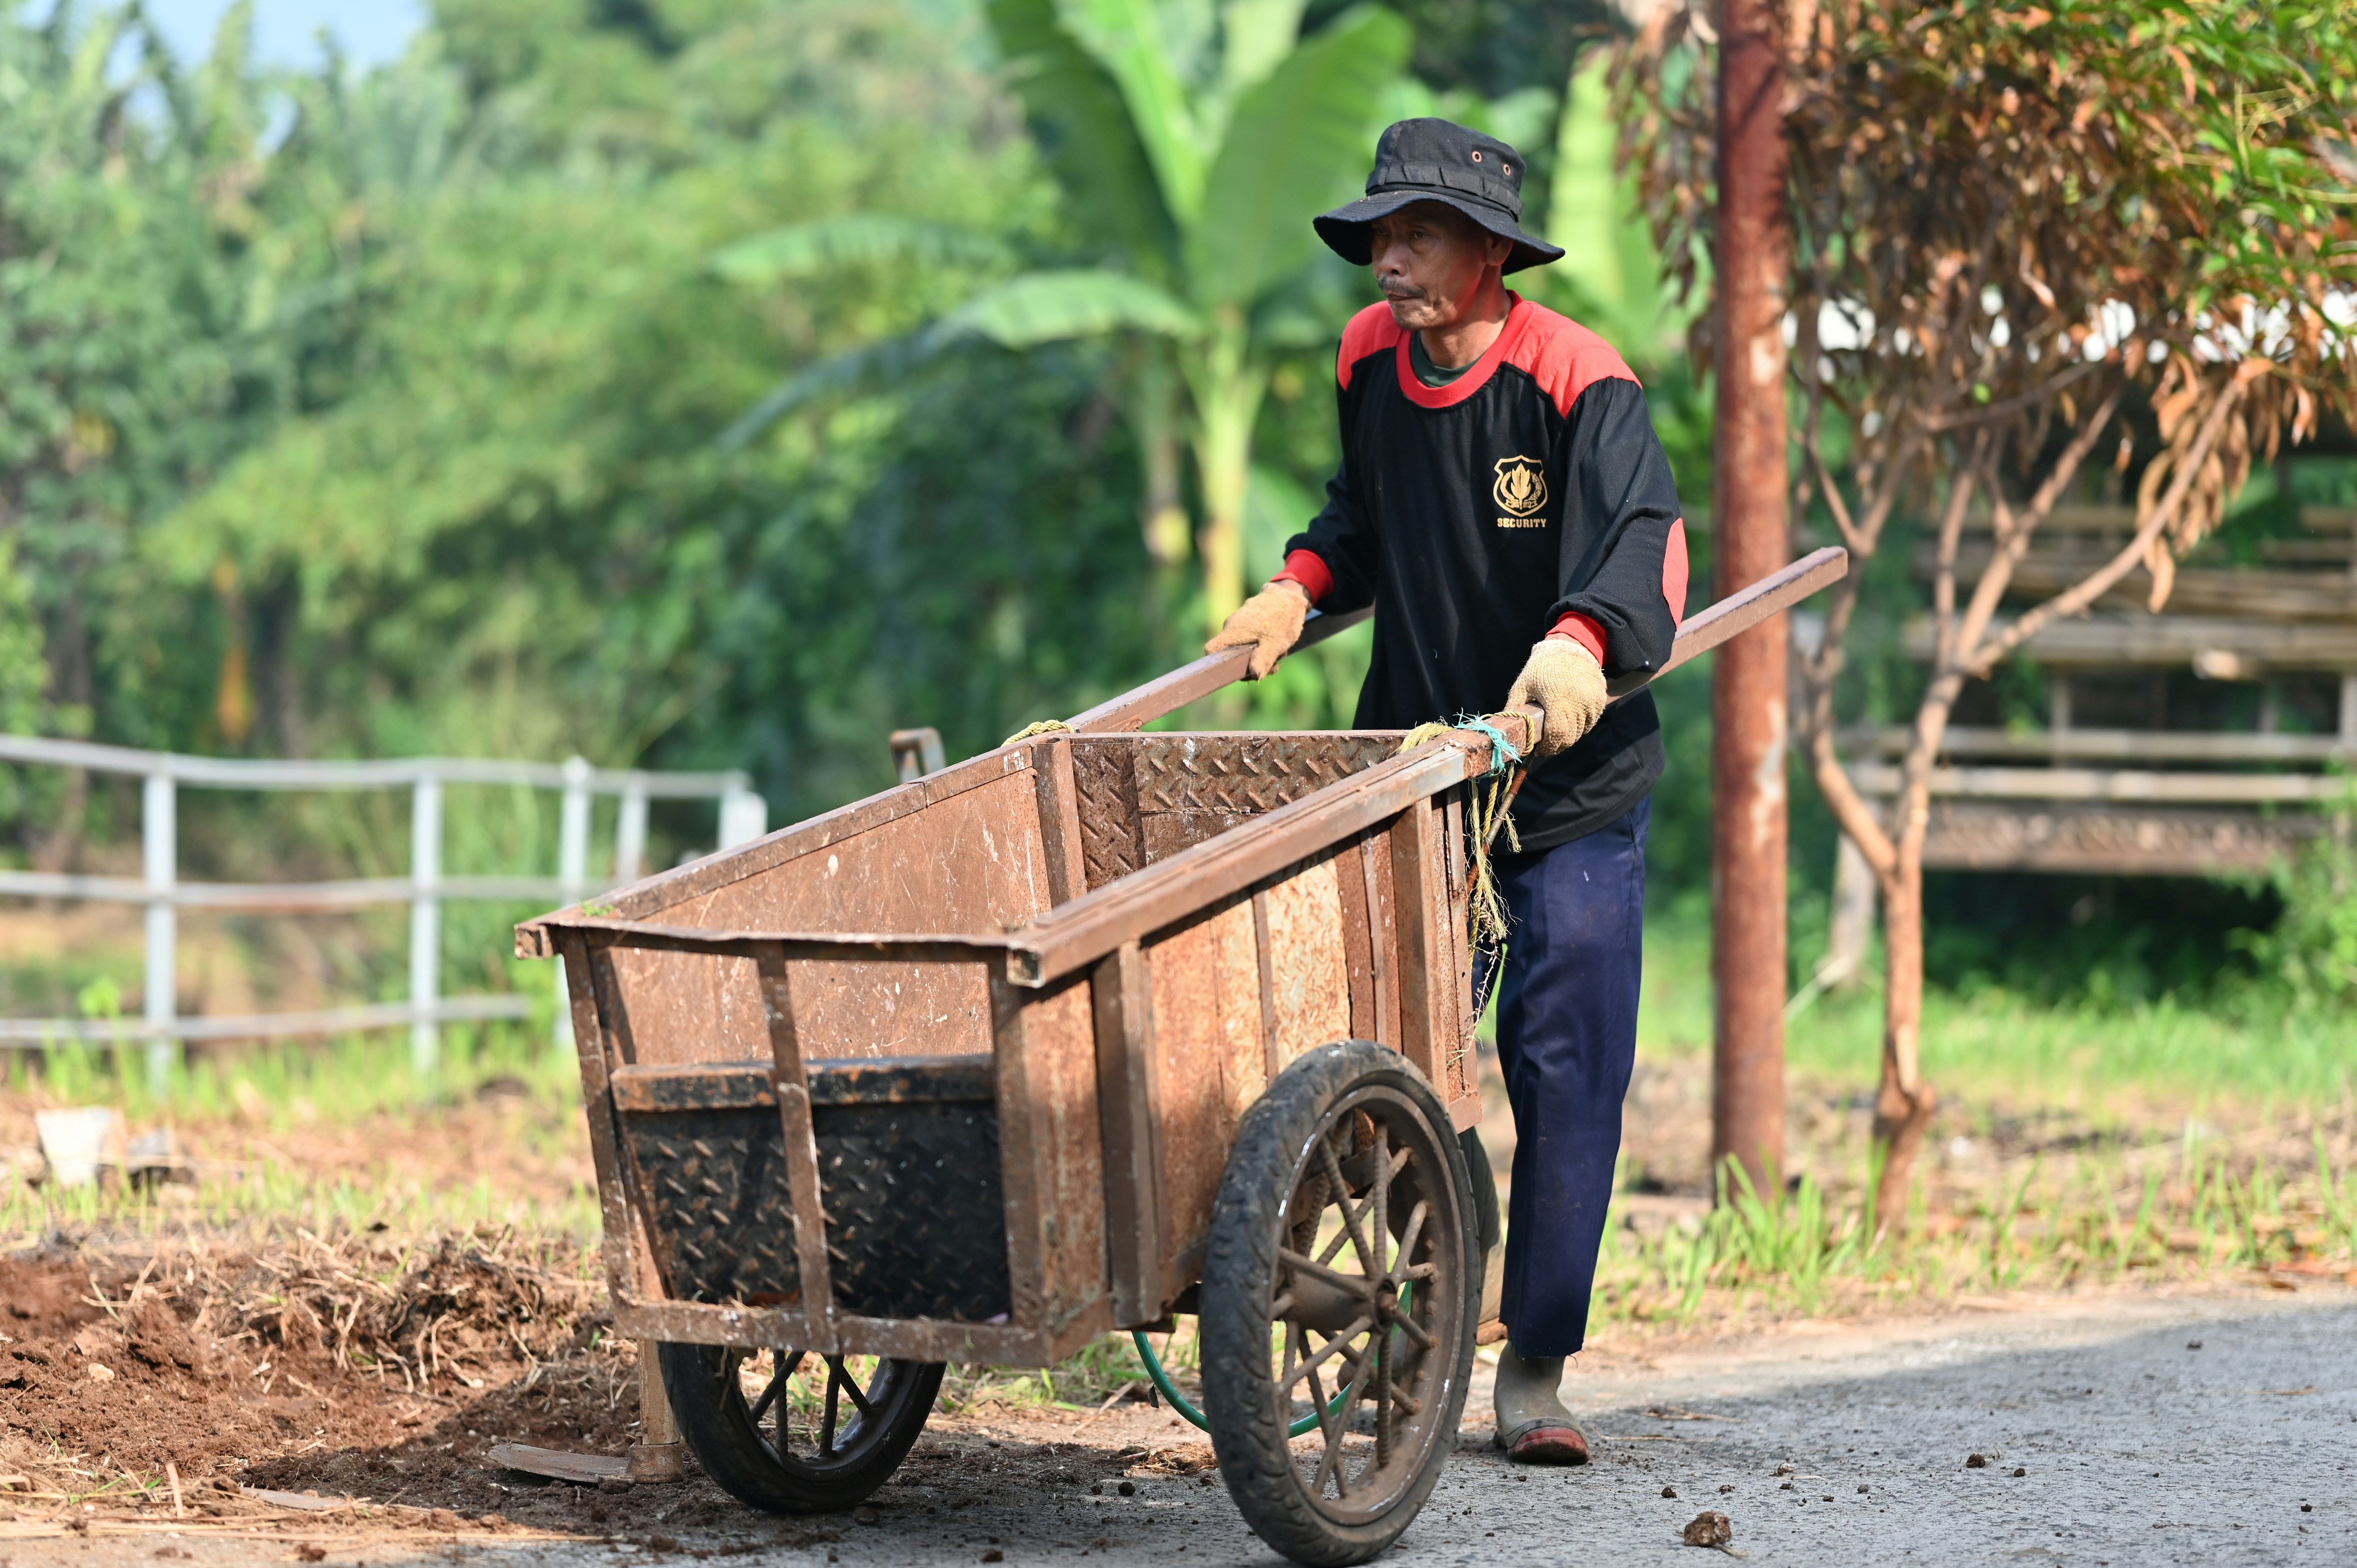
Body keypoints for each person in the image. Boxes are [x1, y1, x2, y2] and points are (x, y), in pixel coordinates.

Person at [1205, 118, 1687, 1466]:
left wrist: (1581, 643)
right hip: (1417, 772)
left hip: (1568, 782)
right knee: (1385, 1056)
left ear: (1488, 254)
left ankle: (1534, 1367)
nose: (1389, 260)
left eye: (1415, 236)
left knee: (1565, 1062)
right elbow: (1363, 519)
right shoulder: (1368, 358)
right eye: (1380, 236)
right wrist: (1296, 591)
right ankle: (1404, 1320)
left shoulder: (1582, 380)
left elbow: (1642, 550)